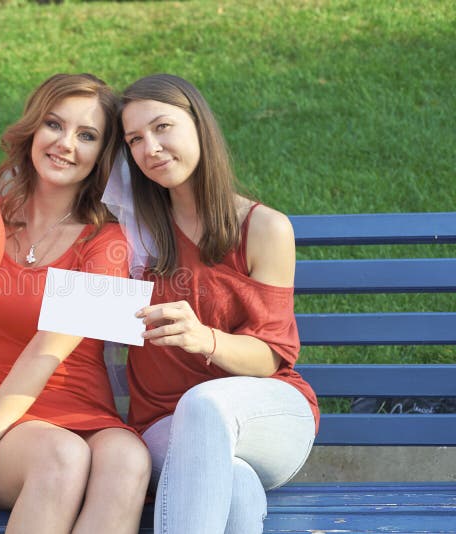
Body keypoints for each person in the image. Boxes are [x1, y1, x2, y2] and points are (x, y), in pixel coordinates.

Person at [0, 73, 151, 534]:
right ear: (32, 130)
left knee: (128, 458)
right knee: (62, 455)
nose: (66, 144)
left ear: (102, 156)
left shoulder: (107, 242)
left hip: (83, 412)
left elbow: (47, 353)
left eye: (87, 136)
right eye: (54, 125)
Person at [109, 74, 319, 533]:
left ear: (199, 124)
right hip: (164, 427)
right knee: (237, 489)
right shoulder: (130, 233)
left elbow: (270, 357)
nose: (151, 148)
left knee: (203, 405)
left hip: (268, 418)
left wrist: (204, 339)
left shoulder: (264, 229)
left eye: (163, 127)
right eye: (135, 139)